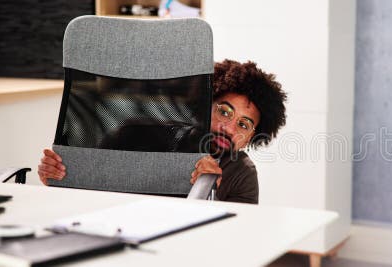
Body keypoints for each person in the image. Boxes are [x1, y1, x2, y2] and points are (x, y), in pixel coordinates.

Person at [37, 59, 288, 204]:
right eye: (224, 111)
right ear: (204, 105)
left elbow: (232, 245)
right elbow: (88, 192)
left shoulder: (241, 174)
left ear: (250, 138)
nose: (229, 128)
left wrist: (208, 193)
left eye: (243, 125)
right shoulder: (135, 132)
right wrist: (61, 177)